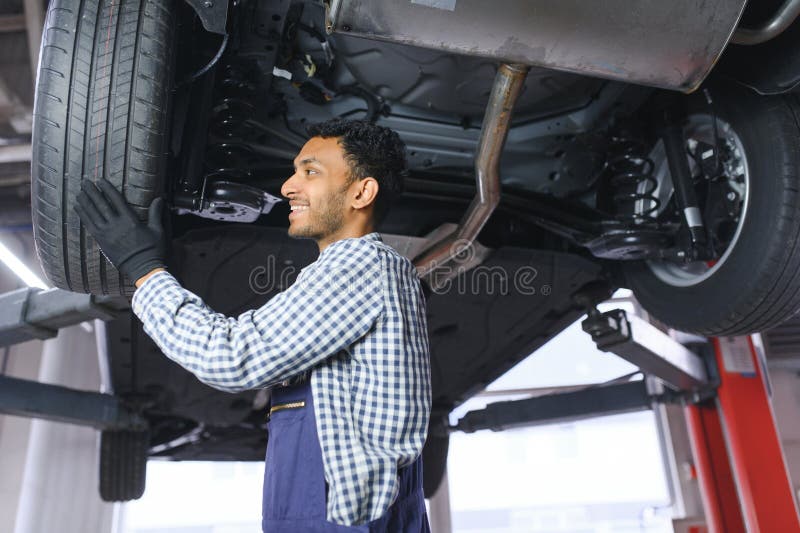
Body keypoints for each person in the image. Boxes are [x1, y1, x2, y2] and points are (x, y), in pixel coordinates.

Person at [74, 119, 433, 532]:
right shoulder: (369, 271)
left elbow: (232, 358)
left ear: (361, 192)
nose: (287, 187)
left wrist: (145, 271)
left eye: (310, 172)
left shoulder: (360, 267)